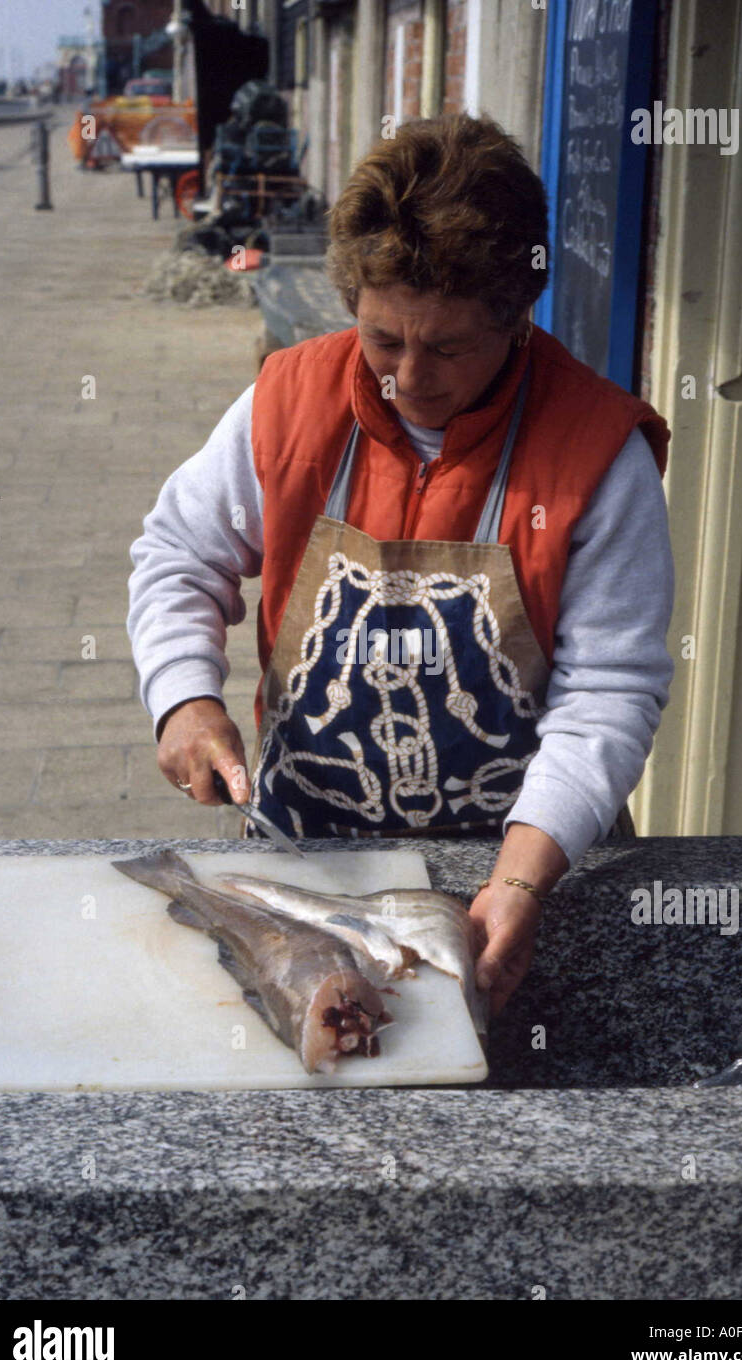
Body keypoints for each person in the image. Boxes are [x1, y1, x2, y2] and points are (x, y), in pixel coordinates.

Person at [128, 113, 674, 1017]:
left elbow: (609, 689)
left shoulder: (594, 452)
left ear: (515, 317)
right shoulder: (289, 403)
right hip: (308, 856)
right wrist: (182, 696)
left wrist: (524, 881)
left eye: (448, 346)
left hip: (516, 867)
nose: (408, 378)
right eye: (383, 340)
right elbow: (179, 553)